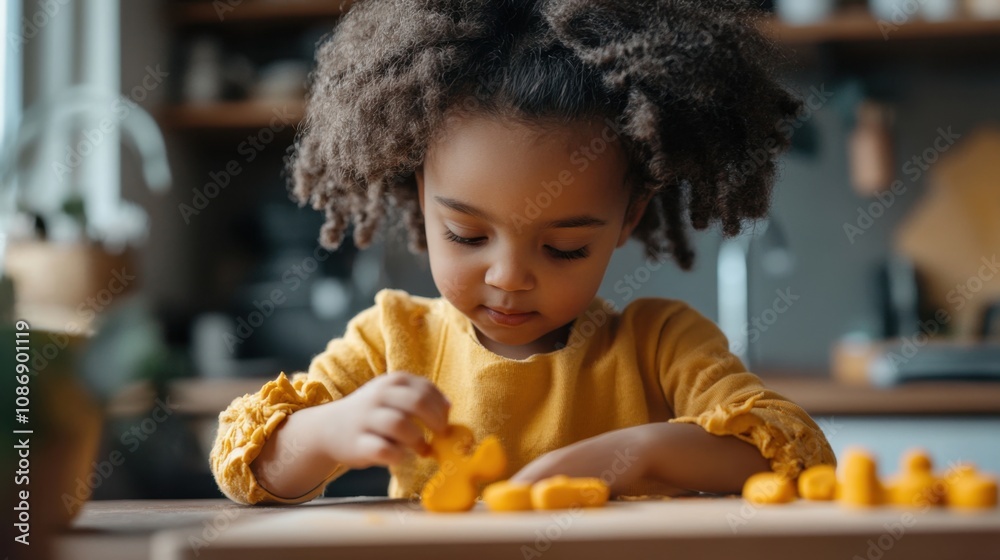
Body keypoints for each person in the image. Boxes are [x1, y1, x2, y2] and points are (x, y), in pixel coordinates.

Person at [210, 0, 835, 505]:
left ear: (629, 217)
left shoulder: (660, 348)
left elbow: (795, 451)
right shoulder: (392, 343)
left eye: (565, 248)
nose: (509, 278)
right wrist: (331, 432)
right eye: (468, 236)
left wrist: (634, 455)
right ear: (420, 193)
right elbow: (247, 470)